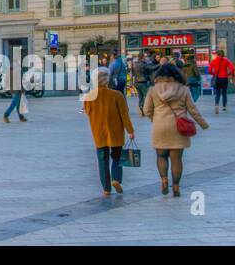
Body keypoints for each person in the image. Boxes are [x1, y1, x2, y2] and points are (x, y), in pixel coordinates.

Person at [143, 61, 209, 197]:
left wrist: (155, 119)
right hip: (179, 127)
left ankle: (164, 180)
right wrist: (203, 124)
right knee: (176, 159)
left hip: (160, 126)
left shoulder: (153, 90)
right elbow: (192, 109)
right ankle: (176, 186)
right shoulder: (183, 89)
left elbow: (146, 110)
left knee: (161, 156)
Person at [82, 68, 135, 196]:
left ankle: (106, 189)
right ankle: (116, 179)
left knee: (102, 160)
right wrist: (130, 131)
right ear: (108, 79)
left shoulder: (88, 97)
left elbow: (87, 112)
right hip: (116, 132)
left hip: (99, 133)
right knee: (117, 157)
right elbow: (124, 115)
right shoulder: (117, 95)